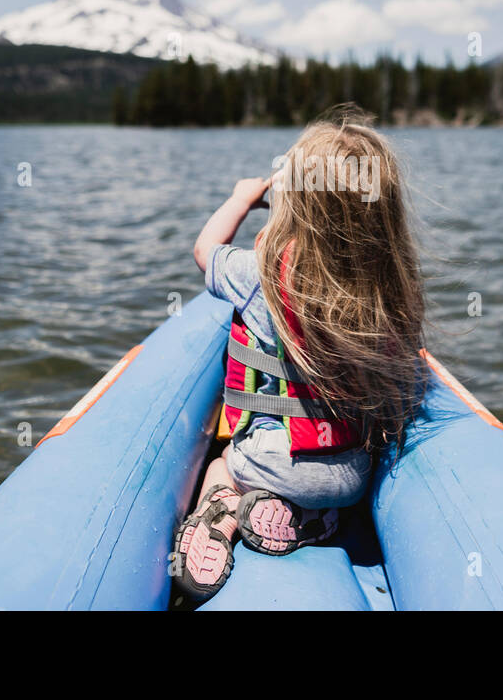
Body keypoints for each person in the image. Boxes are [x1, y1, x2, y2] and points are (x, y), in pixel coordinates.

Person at [171, 110, 427, 602]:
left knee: (221, 465)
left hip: (264, 463)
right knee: (324, 477)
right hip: (350, 478)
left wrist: (241, 200)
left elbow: (205, 250)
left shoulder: (259, 275)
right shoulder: (391, 296)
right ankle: (312, 520)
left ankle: (220, 513)